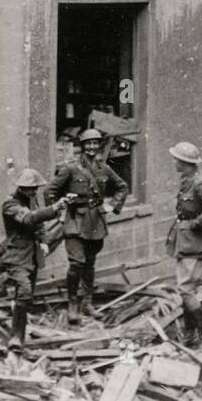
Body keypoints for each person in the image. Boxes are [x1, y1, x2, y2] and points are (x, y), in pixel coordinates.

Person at [47, 128, 129, 325]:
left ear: (99, 146)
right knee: (76, 263)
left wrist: (112, 205)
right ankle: (73, 303)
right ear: (82, 146)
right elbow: (50, 191)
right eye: (88, 144)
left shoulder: (103, 168)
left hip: (95, 221)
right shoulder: (70, 168)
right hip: (75, 220)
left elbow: (122, 187)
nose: (92, 147)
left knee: (90, 264)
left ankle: (87, 302)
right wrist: (59, 212)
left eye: (95, 143)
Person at [0, 169, 74, 352]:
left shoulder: (33, 199)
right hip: (15, 255)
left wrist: (44, 241)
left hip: (32, 255)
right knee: (23, 291)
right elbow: (30, 218)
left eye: (34, 188)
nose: (32, 192)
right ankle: (15, 337)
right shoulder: (10, 204)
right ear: (20, 188)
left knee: (26, 296)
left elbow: (39, 225)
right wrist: (55, 208)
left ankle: (18, 340)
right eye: (28, 189)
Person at [166, 141, 202, 348]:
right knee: (187, 289)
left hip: (193, 242)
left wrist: (198, 223)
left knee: (186, 290)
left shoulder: (199, 183)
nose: (174, 162)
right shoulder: (186, 180)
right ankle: (190, 335)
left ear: (185, 163)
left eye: (176, 159)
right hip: (186, 241)